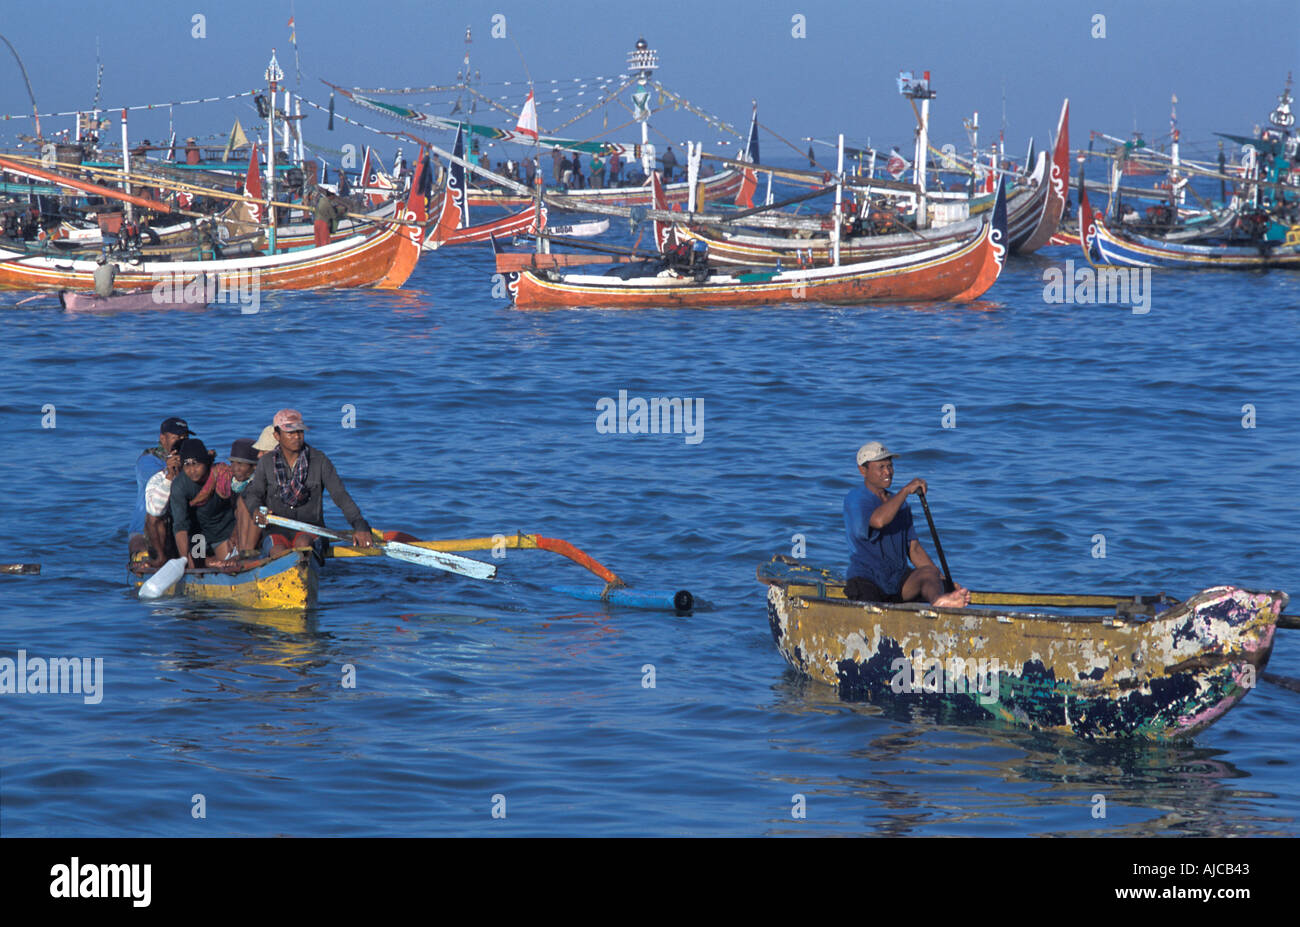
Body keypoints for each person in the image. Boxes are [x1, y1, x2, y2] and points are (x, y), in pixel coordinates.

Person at [843, 442, 970, 608]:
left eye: (890, 466)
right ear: (863, 470)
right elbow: (879, 521)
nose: (888, 472)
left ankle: (939, 601)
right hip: (867, 579)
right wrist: (905, 491)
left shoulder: (901, 505)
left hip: (897, 581)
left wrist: (944, 582)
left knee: (929, 573)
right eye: (881, 467)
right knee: (868, 608)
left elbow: (914, 549)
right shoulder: (856, 498)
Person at [241, 409, 374, 551]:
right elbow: (254, 494)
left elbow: (340, 496)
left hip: (312, 531)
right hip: (276, 531)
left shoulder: (320, 460)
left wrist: (360, 526)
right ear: (277, 435)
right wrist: (255, 511)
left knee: (303, 544)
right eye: (290, 433)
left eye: (300, 432)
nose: (297, 437)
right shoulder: (266, 462)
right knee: (277, 550)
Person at [170, 437, 239, 567]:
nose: (192, 470)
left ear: (206, 463)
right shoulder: (180, 485)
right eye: (187, 465)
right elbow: (180, 526)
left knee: (231, 564)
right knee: (198, 566)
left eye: (196, 464)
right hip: (198, 536)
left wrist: (236, 533)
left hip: (224, 532)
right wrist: (185, 559)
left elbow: (239, 506)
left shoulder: (222, 475)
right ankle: (206, 562)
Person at [131, 416, 192, 560]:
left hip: (182, 524)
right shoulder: (148, 460)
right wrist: (172, 468)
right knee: (144, 551)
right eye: (176, 437)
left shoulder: (190, 459)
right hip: (147, 526)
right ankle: (144, 559)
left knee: (198, 550)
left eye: (185, 437)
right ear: (162, 438)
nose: (181, 441)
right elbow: (156, 478)